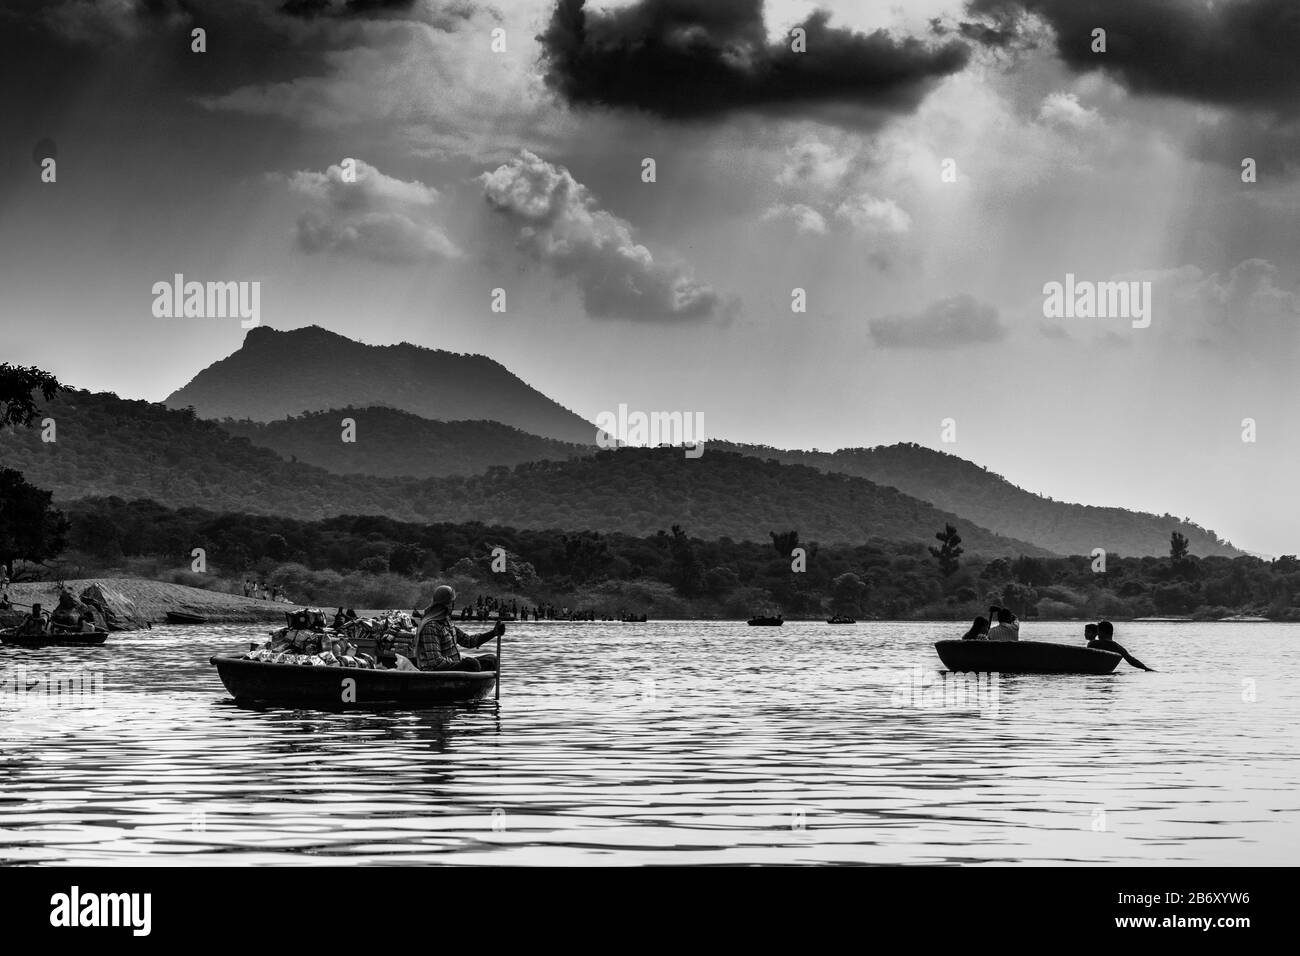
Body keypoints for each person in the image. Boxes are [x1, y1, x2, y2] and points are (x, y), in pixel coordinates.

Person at [402, 584, 502, 672]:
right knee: (472, 664)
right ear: (445, 605)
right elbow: (435, 662)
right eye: (451, 603)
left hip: (452, 667)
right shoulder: (430, 626)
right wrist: (460, 664)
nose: (452, 606)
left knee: (492, 660)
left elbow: (468, 641)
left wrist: (493, 633)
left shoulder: (447, 623)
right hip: (438, 672)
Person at [1089, 620, 1154, 671]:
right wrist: (1145, 668)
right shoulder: (1118, 648)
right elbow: (1131, 660)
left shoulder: (1094, 644)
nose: (1097, 634)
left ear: (1102, 632)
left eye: (1098, 631)